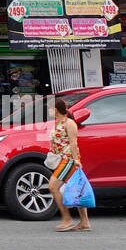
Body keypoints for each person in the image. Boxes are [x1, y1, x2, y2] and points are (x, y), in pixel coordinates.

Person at [47, 97, 91, 232]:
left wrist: (76, 160)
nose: (48, 111)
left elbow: (73, 143)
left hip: (69, 160)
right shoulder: (57, 123)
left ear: (55, 110)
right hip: (61, 160)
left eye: (49, 109)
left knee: (53, 186)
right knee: (76, 190)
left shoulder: (69, 123)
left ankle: (67, 219)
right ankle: (85, 222)